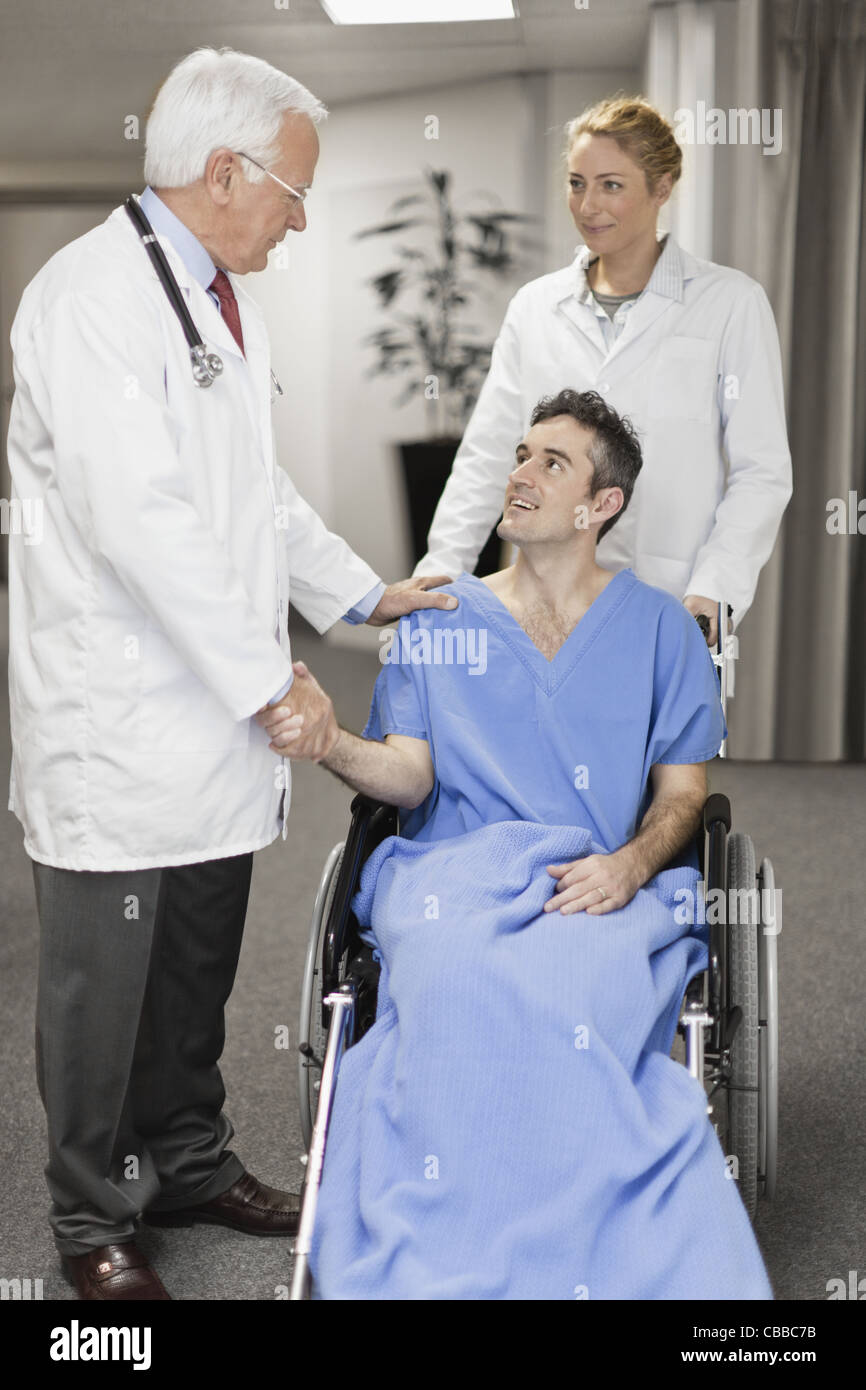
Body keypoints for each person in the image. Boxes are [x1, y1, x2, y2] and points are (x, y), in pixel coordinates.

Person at [6, 46, 455, 1302]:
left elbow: (254, 496)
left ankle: (191, 1161)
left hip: (213, 716)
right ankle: (92, 1216)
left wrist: (365, 593)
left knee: (198, 952)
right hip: (122, 711)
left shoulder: (217, 299)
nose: (301, 221)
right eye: (294, 193)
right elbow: (143, 520)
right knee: (104, 981)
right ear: (223, 172)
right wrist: (273, 682)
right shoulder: (89, 296)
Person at [258, 389, 773, 1300]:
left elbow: (685, 794)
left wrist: (629, 865)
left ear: (600, 505)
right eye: (521, 455)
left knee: (578, 985)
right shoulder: (440, 615)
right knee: (455, 975)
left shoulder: (664, 631)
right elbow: (409, 779)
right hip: (452, 875)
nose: (520, 474)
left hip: (601, 882)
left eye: (552, 462)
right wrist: (330, 740)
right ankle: (453, 1253)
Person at [414, 94, 793, 649]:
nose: (589, 205)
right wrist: (442, 565)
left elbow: (762, 471)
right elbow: (487, 450)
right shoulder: (535, 306)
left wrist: (717, 588)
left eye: (611, 184)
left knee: (665, 736)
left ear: (661, 189)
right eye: (576, 183)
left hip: (674, 602)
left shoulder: (730, 303)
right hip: (547, 601)